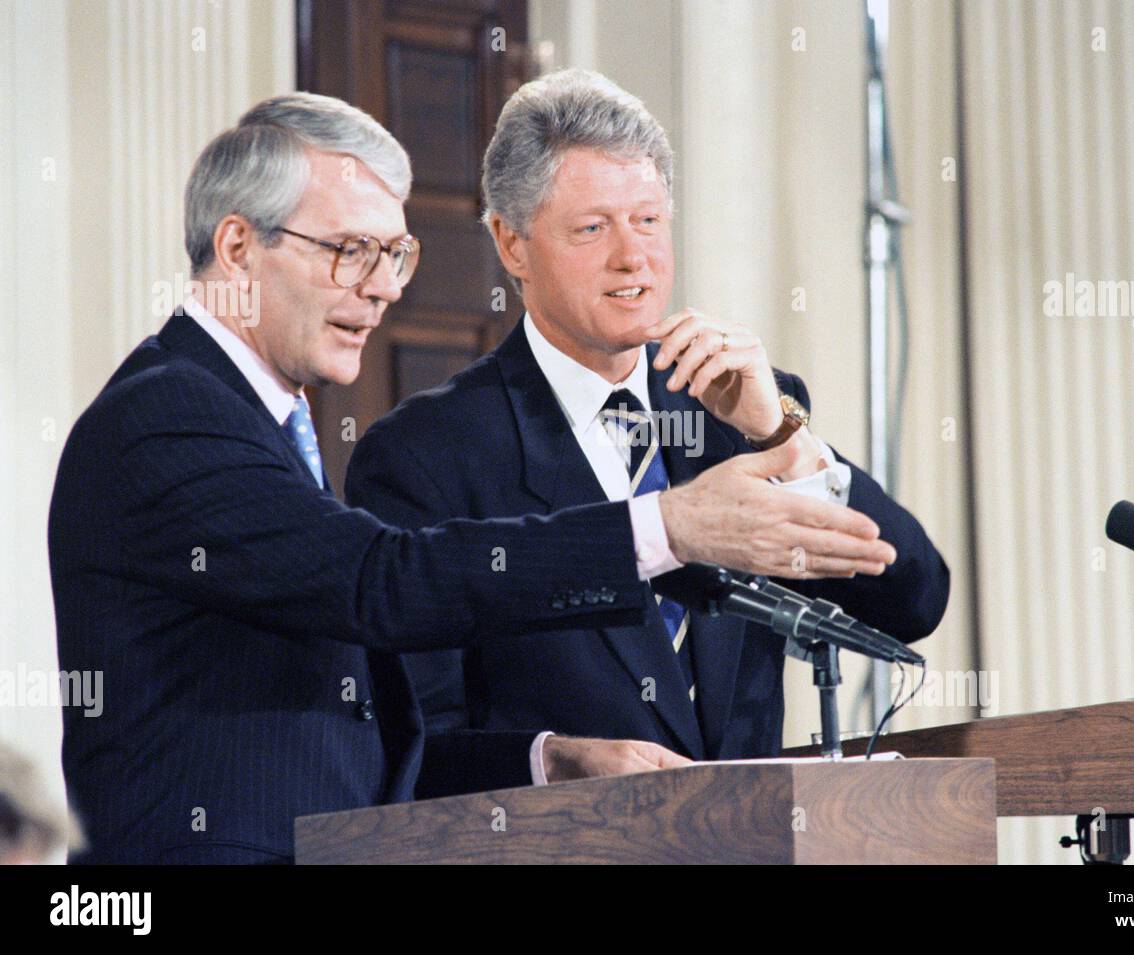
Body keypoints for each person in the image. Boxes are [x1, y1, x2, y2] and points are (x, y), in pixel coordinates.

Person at [49, 91, 882, 863]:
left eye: (393, 253)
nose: (380, 289)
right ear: (238, 246)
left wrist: (548, 760)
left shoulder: (252, 417)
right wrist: (667, 526)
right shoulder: (166, 417)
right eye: (349, 251)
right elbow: (381, 581)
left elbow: (370, 707)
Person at [346, 70, 949, 761]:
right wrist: (552, 760)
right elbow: (410, 749)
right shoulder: (426, 455)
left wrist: (786, 436)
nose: (633, 256)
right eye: (593, 228)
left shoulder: (743, 411)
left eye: (649, 221)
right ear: (512, 244)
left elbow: (915, 600)